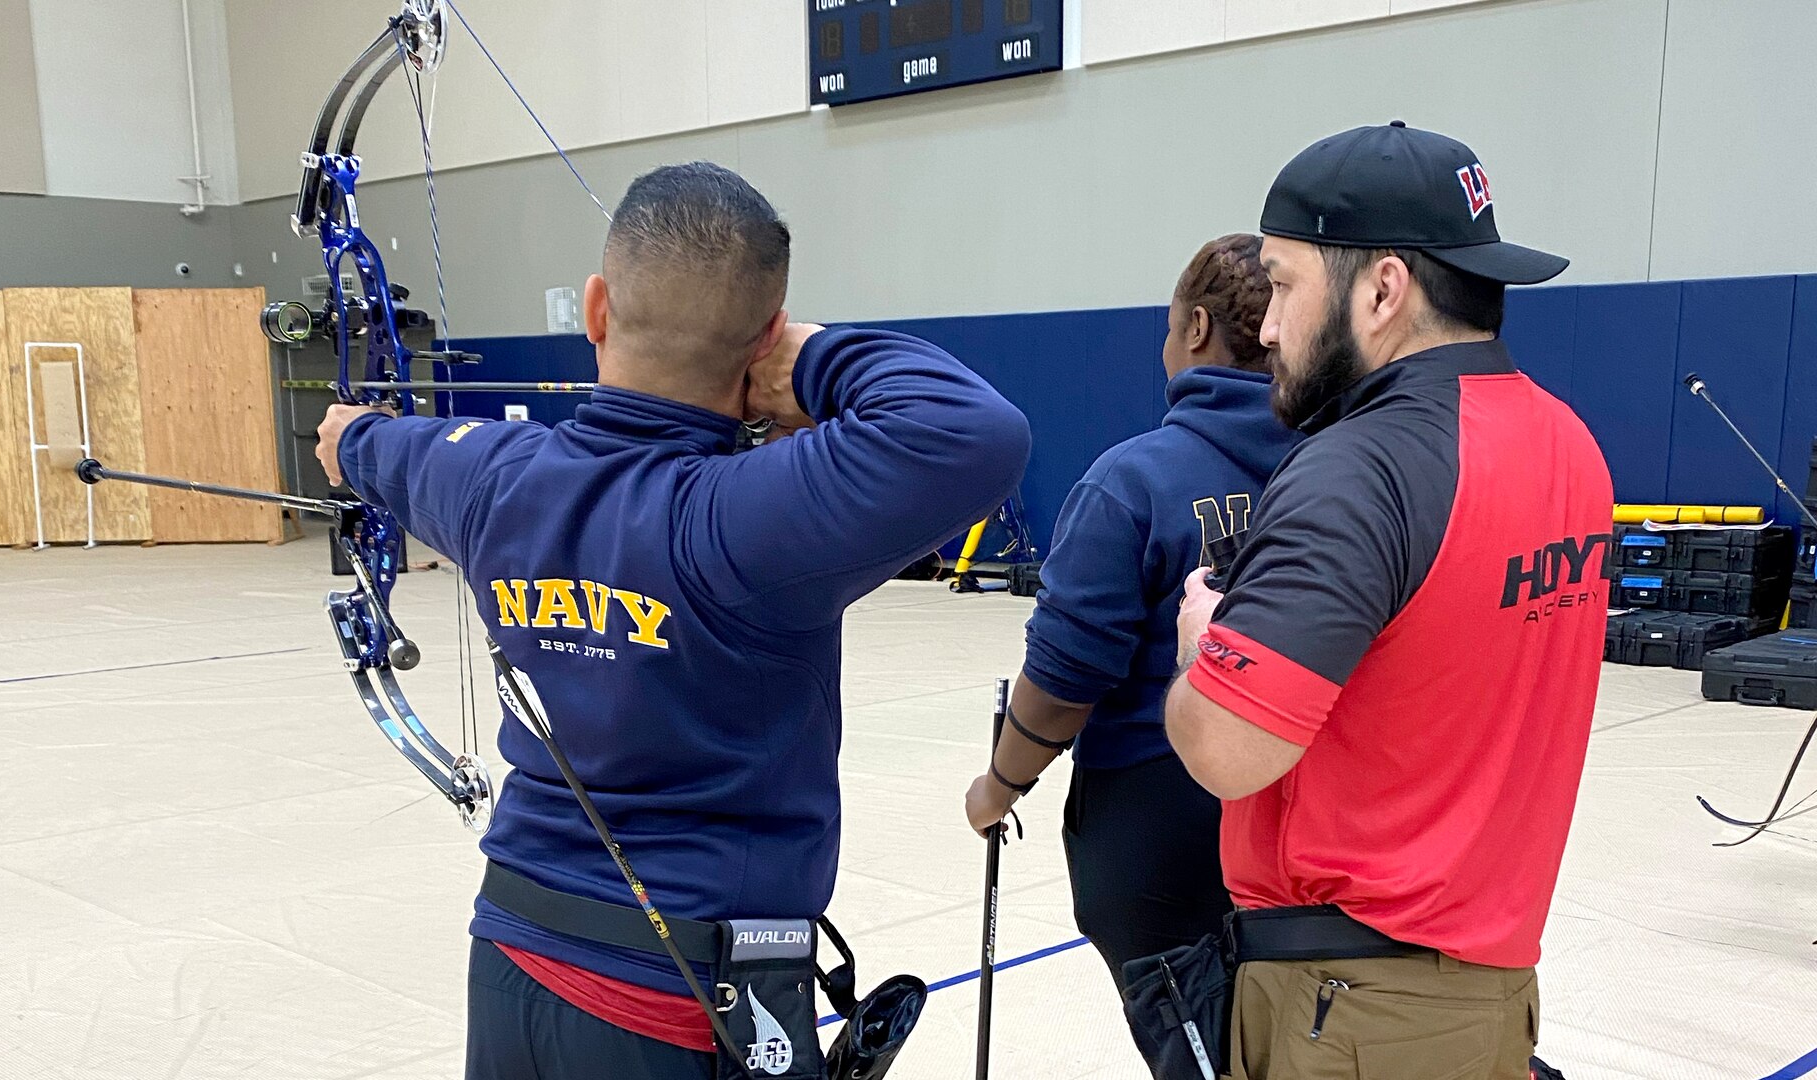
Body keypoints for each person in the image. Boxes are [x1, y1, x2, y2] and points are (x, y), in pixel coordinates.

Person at [315, 162, 1032, 1079]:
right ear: (766, 334)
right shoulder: (745, 517)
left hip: (511, 959)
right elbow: (975, 429)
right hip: (683, 1002)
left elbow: (370, 442)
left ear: (596, 309)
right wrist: (806, 357)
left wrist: (350, 438)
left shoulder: (492, 478)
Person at [1164, 122, 1610, 1080]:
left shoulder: (1359, 469)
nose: (1269, 327)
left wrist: (1205, 645)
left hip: (1352, 1008)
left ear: (1382, 289)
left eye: (1283, 285)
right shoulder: (1568, 442)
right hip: (1485, 987)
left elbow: (1228, 752)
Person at [961, 235, 1301, 994]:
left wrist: (998, 786)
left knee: (1198, 1048)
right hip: (1301, 807)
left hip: (1158, 824)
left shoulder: (1133, 481)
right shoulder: (1338, 466)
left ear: (1198, 329)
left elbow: (1062, 681)